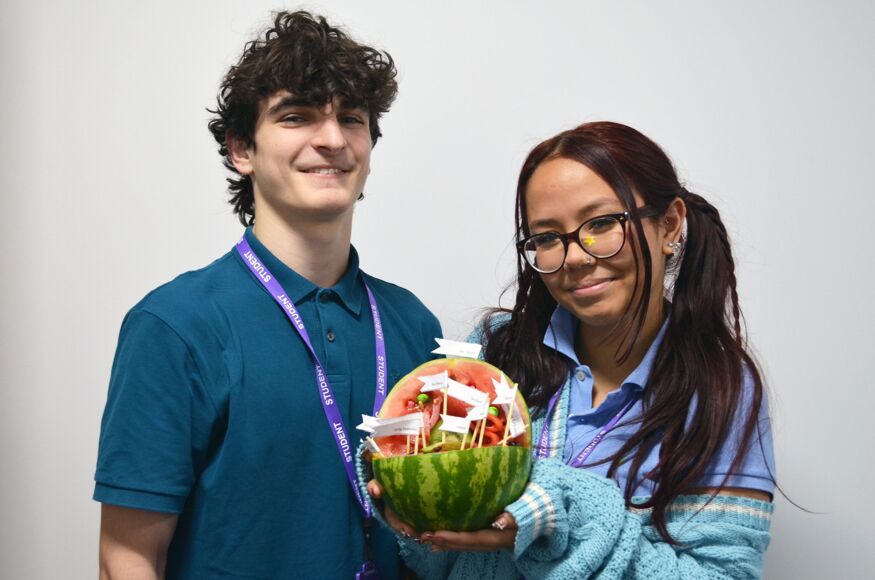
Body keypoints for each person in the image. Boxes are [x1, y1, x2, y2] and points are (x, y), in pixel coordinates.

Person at [94, 11, 441, 580]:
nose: (331, 139)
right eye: (297, 116)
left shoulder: (410, 321)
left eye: (351, 118)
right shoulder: (175, 325)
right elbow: (128, 559)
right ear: (241, 149)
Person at [364, 121, 776, 579]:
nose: (576, 256)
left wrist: (560, 514)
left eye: (602, 224)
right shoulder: (494, 350)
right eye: (547, 238)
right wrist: (411, 509)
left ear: (669, 225)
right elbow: (436, 563)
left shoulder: (719, 390)